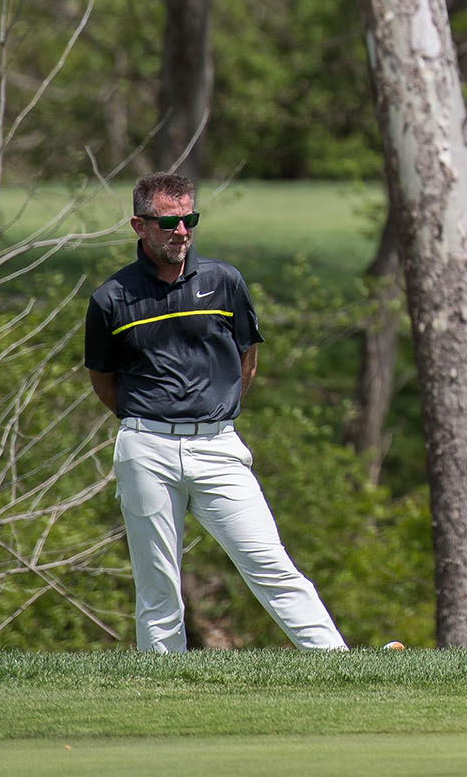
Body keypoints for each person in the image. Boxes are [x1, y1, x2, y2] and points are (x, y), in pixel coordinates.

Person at [84, 172, 346, 652]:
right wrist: (150, 417)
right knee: (158, 582)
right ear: (139, 226)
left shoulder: (224, 282)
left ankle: (335, 661)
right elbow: (104, 379)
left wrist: (217, 409)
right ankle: (164, 686)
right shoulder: (111, 298)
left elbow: (246, 356)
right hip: (147, 447)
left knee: (268, 562)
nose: (182, 232)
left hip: (217, 445)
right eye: (169, 222)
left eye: (190, 220)